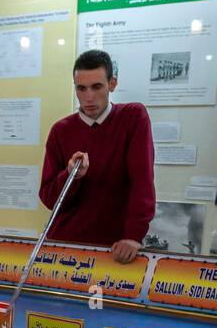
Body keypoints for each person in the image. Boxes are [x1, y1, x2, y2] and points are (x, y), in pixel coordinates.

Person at [38, 50, 155, 263]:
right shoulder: (61, 131)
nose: (88, 97)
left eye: (96, 87)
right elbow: (48, 198)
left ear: (112, 84)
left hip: (114, 250)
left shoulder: (132, 118)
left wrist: (134, 235)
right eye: (81, 88)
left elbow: (142, 180)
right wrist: (71, 175)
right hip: (65, 248)